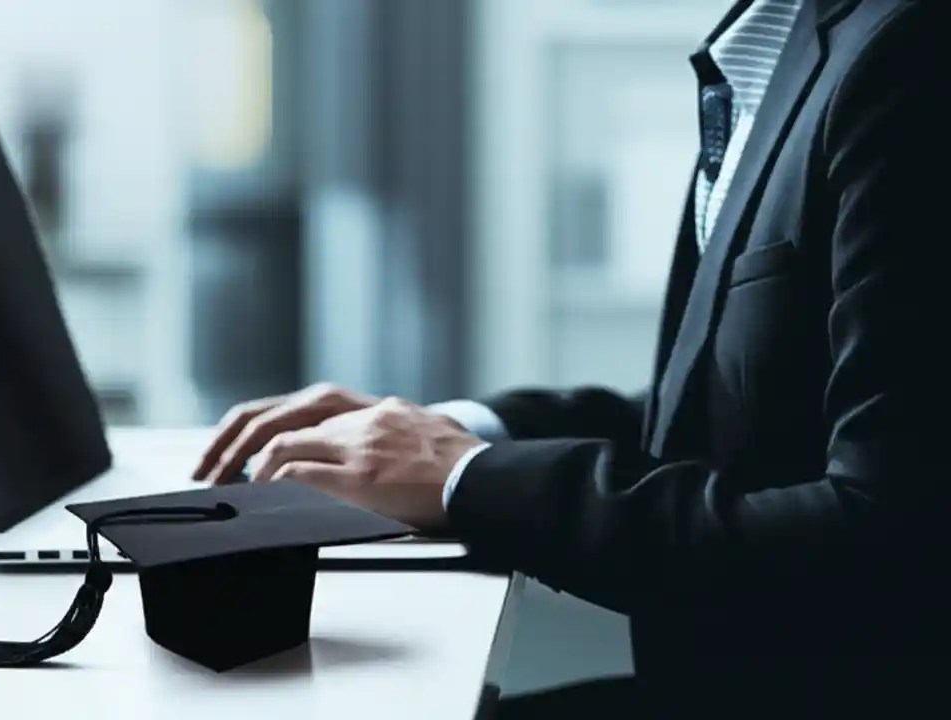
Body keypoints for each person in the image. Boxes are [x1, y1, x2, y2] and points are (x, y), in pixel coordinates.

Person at [194, 0, 949, 716]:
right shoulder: (795, 37)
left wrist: (466, 479)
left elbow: (880, 540)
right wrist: (446, 437)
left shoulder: (907, 52)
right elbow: (728, 419)